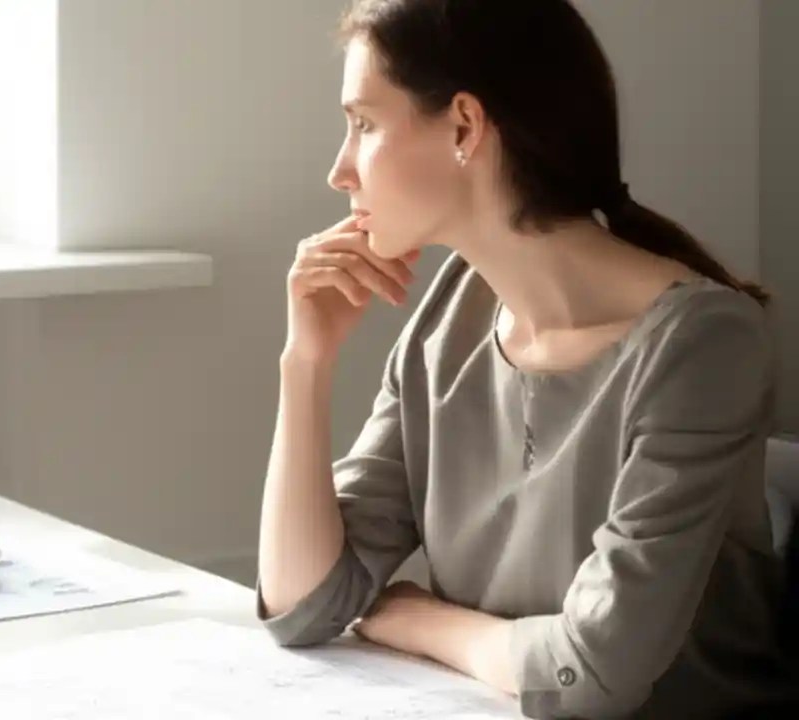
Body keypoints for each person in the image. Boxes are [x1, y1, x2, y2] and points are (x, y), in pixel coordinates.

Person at [256, 1, 795, 718]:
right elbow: (306, 604)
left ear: (464, 127)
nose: (340, 170)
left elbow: (596, 676)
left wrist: (418, 621)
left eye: (364, 124)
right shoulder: (449, 317)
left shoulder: (703, 343)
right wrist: (306, 361)